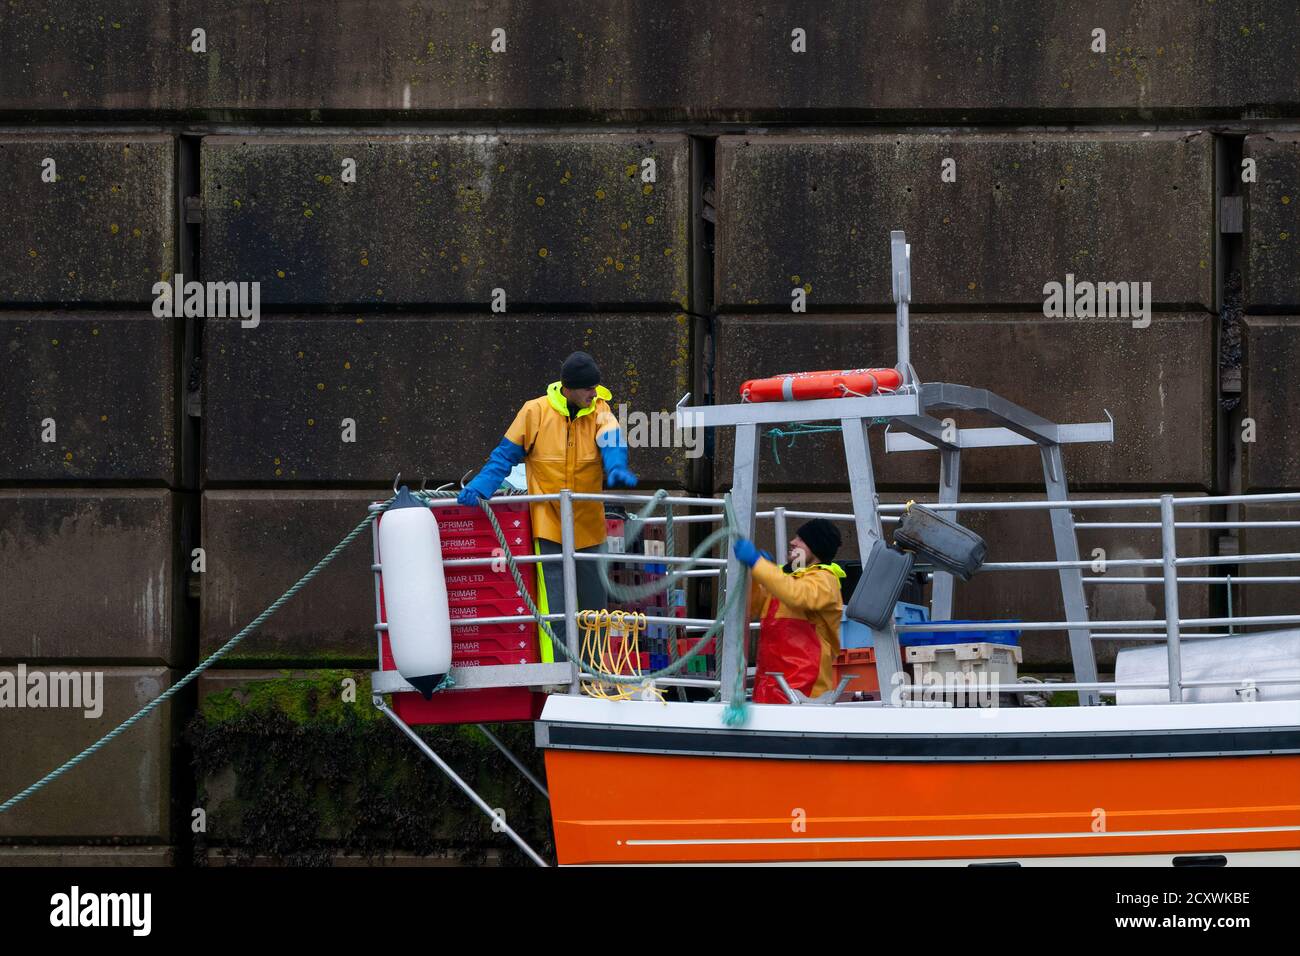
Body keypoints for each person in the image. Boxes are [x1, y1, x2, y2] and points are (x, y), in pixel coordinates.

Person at [459, 351, 639, 661]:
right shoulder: (534, 412)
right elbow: (504, 456)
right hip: (548, 524)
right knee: (554, 603)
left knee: (594, 604)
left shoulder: (600, 410)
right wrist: (482, 485)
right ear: (568, 387)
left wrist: (617, 464)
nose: (593, 393)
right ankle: (558, 673)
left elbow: (611, 437)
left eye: (596, 387)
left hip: (589, 525)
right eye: (587, 388)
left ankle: (590, 672)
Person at [733, 519, 846, 704]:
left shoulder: (826, 580)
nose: (793, 542)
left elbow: (797, 595)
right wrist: (754, 575)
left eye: (801, 539)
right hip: (770, 683)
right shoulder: (784, 578)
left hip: (805, 688)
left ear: (816, 548)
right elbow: (752, 608)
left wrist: (758, 564)